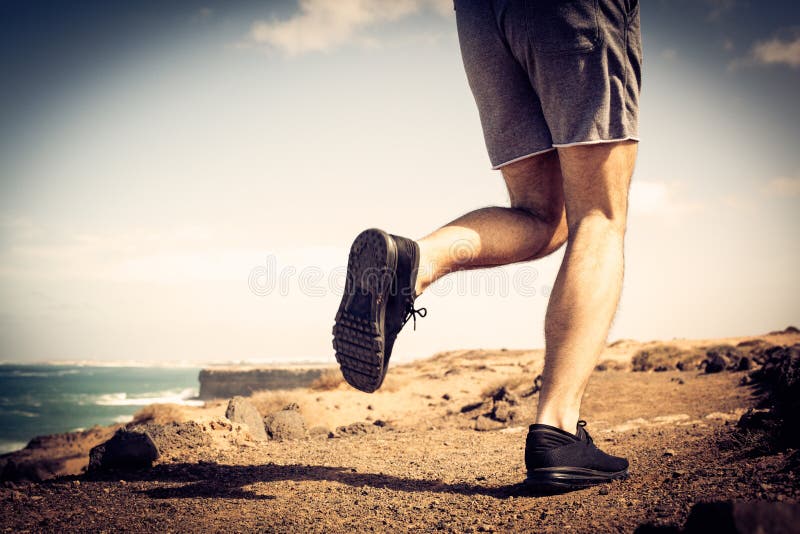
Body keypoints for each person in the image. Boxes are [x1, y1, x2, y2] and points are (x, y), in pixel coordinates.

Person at [333, 0, 641, 491]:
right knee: (599, 217)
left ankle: (415, 262)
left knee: (543, 215)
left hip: (481, 15)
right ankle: (557, 431)